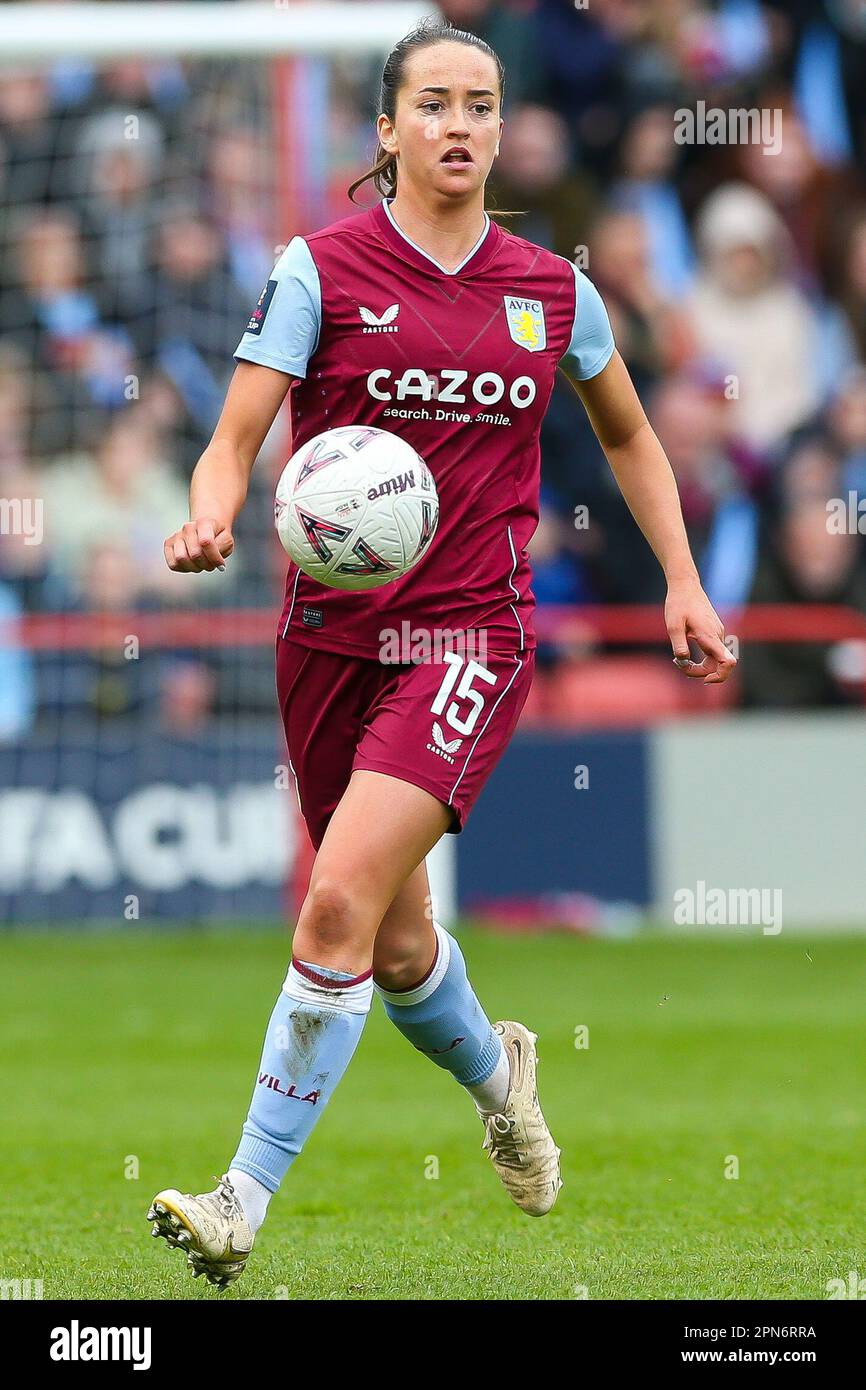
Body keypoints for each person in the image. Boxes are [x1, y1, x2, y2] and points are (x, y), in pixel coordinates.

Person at [150, 18, 735, 1289]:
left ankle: (241, 1195)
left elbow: (631, 435)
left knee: (332, 904)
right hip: (326, 638)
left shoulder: (552, 290)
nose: (458, 125)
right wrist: (207, 508)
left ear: (500, 124)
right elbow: (235, 432)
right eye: (432, 104)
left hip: (467, 635)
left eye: (479, 103)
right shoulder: (319, 270)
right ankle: (500, 1080)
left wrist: (684, 581)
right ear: (388, 127)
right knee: (400, 944)